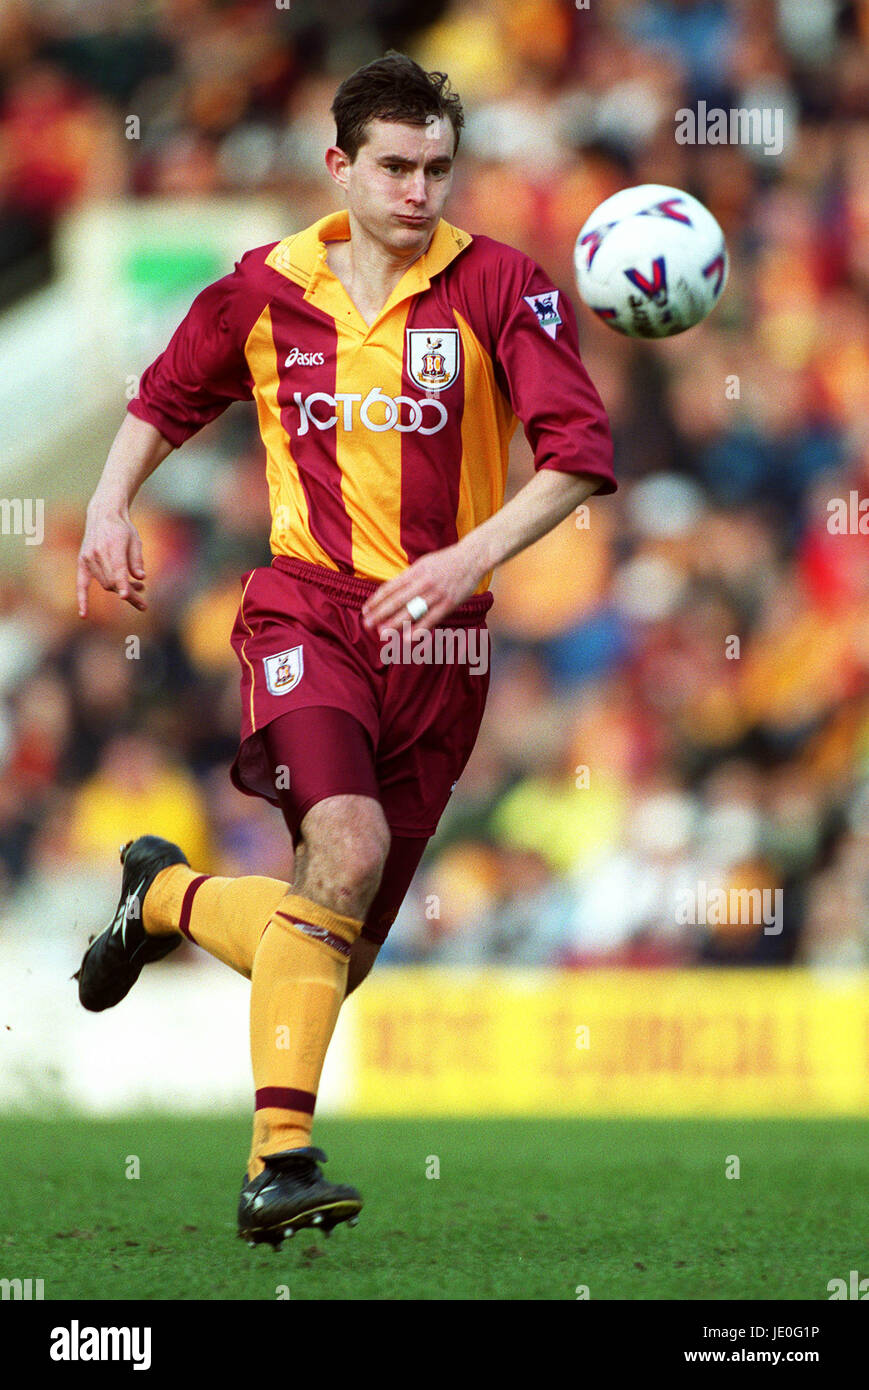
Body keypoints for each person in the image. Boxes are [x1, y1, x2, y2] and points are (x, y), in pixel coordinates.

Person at [74, 52, 616, 1246]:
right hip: (306, 613)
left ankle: (161, 892)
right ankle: (280, 1160)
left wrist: (465, 561)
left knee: (333, 944)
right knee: (348, 842)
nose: (419, 190)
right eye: (395, 167)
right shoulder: (266, 287)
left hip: (443, 646)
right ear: (340, 165)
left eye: (436, 168)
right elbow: (166, 396)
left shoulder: (501, 288)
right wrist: (109, 505)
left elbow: (576, 454)